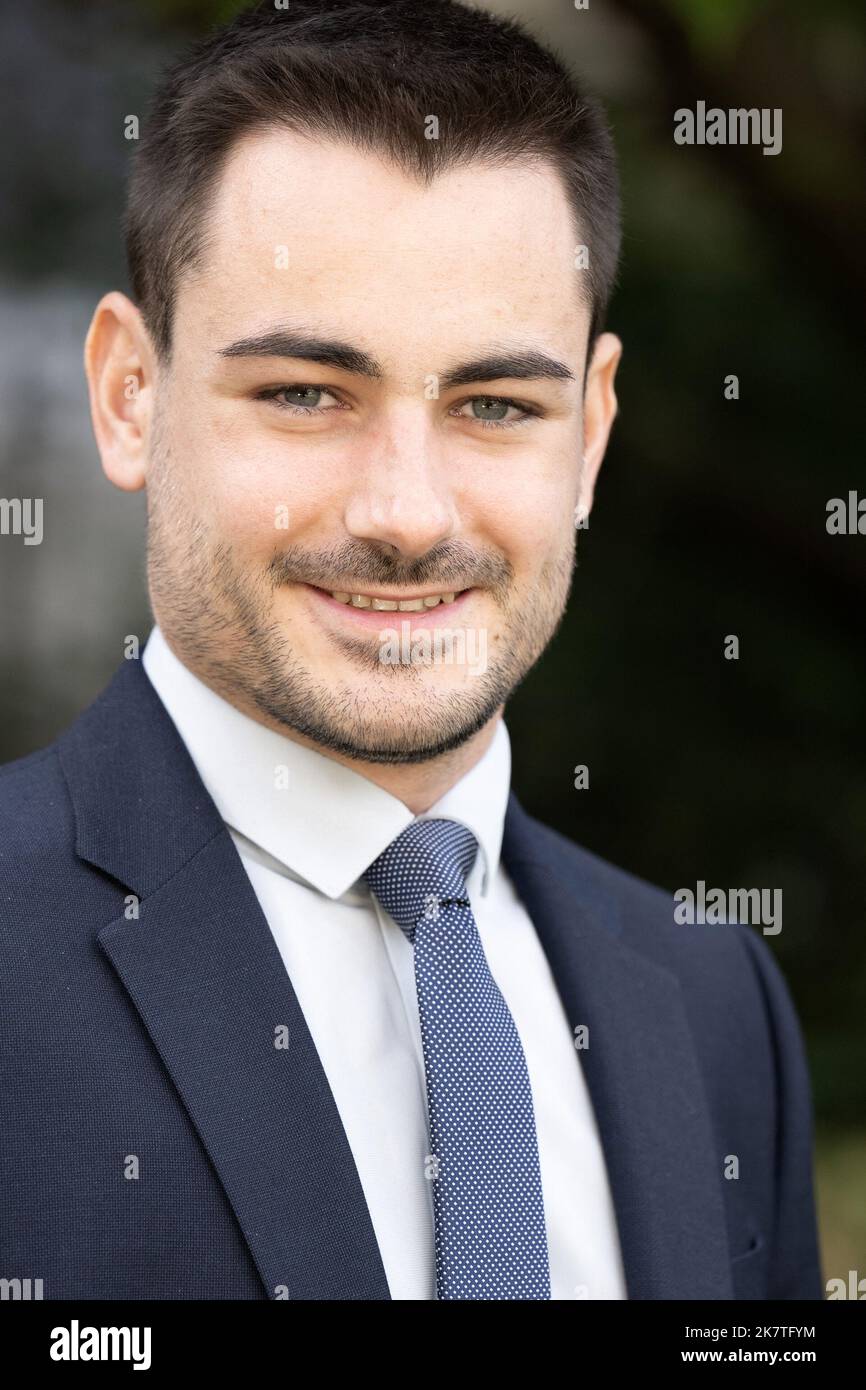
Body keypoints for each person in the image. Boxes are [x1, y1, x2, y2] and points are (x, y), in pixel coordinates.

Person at [0, 0, 822, 1300]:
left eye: (495, 404)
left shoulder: (712, 1002)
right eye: (305, 394)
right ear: (127, 395)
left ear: (591, 437)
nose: (405, 513)